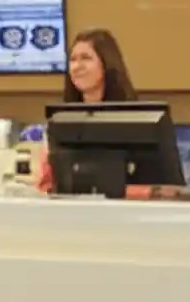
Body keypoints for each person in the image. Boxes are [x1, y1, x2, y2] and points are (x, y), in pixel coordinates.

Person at [35, 28, 138, 193]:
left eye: (86, 58)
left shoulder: (135, 121)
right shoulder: (59, 122)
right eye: (73, 60)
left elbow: (150, 185)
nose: (77, 66)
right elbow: (45, 185)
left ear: (107, 64)